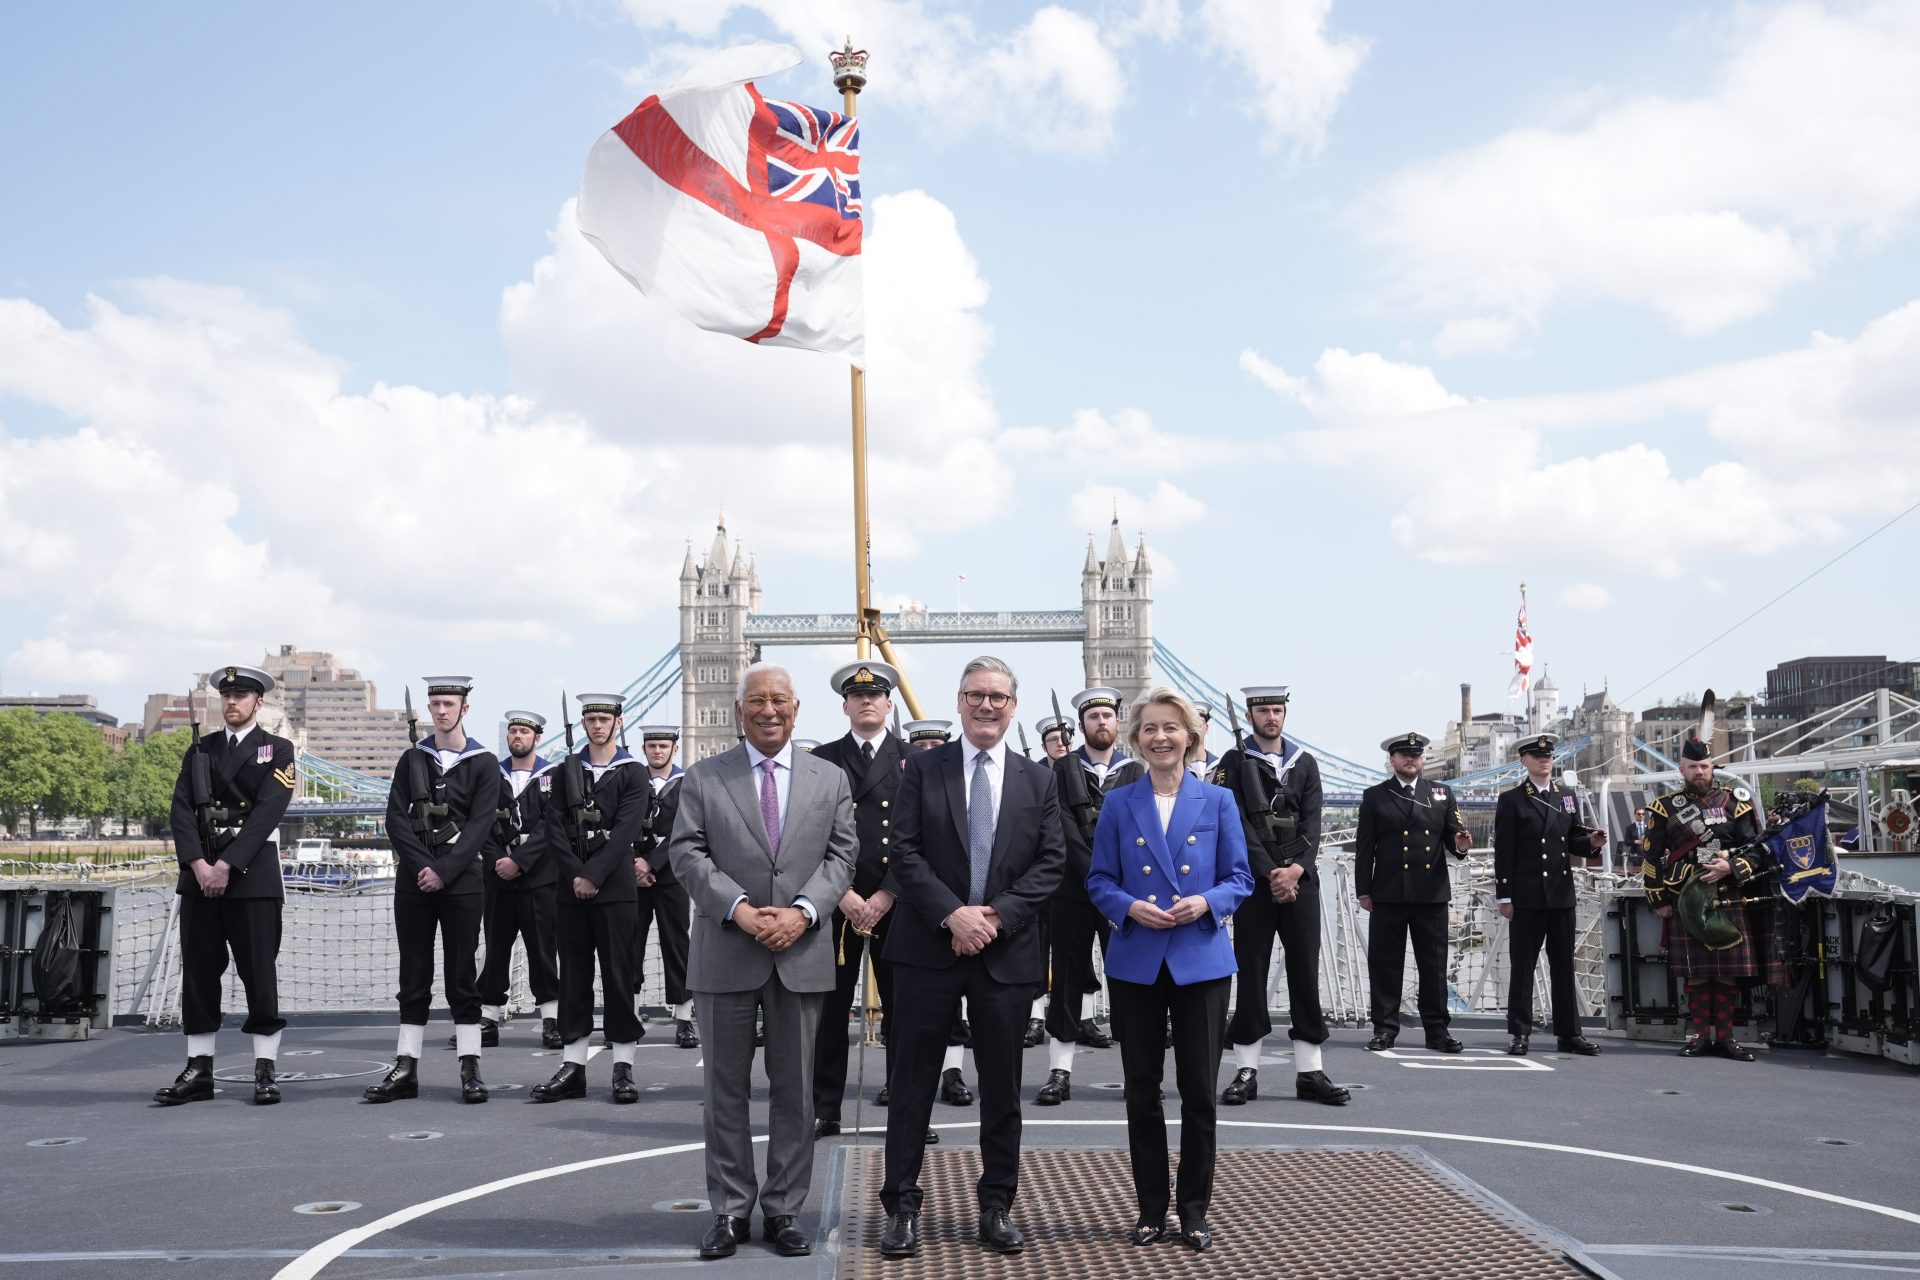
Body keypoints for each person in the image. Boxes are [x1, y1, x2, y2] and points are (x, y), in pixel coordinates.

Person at [877, 656, 1066, 1259]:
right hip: (926, 947)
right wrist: (952, 914)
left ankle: (997, 1204)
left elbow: (1051, 863)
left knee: (1003, 1090)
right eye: (976, 695)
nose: (987, 706)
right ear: (959, 701)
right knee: (911, 1086)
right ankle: (901, 1206)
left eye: (998, 697)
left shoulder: (1038, 779)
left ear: (1013, 706)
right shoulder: (922, 768)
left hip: (1004, 952)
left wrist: (994, 918)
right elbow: (905, 852)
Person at [668, 662, 857, 1259]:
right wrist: (740, 909)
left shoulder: (830, 779)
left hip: (801, 950)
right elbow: (686, 853)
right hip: (726, 948)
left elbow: (842, 857)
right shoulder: (703, 778)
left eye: (779, 700)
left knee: (796, 1093)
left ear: (796, 709)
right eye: (757, 701)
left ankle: (784, 1210)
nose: (768, 710)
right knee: (723, 1089)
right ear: (738, 710)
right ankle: (729, 1210)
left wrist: (803, 912)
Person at [1087, 688, 1253, 1251]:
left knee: (1200, 1091)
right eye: (1151, 728)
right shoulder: (1118, 803)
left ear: (1190, 737)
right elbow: (1098, 880)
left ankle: (1195, 1210)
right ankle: (1151, 1209)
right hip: (1137, 957)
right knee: (1141, 1091)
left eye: (1172, 727)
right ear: (1136, 739)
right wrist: (1129, 907)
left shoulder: (1218, 801)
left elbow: (1240, 878)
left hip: (1200, 958)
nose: (1161, 738)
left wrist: (1206, 901)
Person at [809, 661, 939, 1147]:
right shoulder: (820, 760)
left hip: (897, 901)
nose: (866, 701)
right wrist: (841, 893)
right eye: (857, 696)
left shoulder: (916, 761)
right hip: (836, 901)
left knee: (906, 1014)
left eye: (875, 695)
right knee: (828, 1013)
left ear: (889, 704)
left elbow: (925, 835)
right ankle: (824, 1110)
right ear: (845, 706)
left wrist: (887, 892)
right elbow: (808, 834)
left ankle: (909, 1111)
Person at [155, 664, 296, 1106]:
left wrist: (227, 865)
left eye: (241, 696)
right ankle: (199, 1069)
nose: (232, 702)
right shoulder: (201, 749)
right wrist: (198, 864)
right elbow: (181, 810)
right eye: (226, 696)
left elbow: (267, 813)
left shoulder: (278, 750)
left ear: (259, 702)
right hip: (200, 875)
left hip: (251, 877)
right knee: (199, 974)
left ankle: (265, 1068)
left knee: (258, 973)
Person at [1212, 686, 1346, 1105]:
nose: (1271, 716)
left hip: (1299, 881)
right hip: (1255, 883)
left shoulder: (1304, 762)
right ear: (1250, 716)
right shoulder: (1233, 761)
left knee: (1305, 973)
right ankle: (1246, 1071)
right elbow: (1234, 823)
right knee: (1251, 974)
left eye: (1277, 710)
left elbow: (1313, 822)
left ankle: (1310, 1071)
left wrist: (1296, 869)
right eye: (1264, 710)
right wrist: (1270, 871)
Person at [368, 677, 499, 1104]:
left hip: (461, 882)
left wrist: (444, 870)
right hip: (415, 880)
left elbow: (479, 826)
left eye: (448, 704)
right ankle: (406, 1067)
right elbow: (395, 819)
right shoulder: (412, 759)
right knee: (413, 973)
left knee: (462, 975)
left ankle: (470, 1065)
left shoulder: (484, 763)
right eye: (435, 704)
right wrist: (424, 867)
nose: (441, 711)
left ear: (465, 709)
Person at [533, 692, 652, 1103]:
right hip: (572, 890)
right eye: (591, 720)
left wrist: (594, 875)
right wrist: (576, 875)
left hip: (614, 890)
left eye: (604, 719)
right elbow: (553, 826)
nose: (598, 726)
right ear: (583, 724)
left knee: (620, 977)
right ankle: (573, 1067)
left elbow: (625, 831)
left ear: (619, 722)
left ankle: (623, 1067)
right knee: (573, 979)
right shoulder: (565, 770)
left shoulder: (633, 772)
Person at [1035, 686, 1142, 1106]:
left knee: (1130, 982)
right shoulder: (1059, 771)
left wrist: (1112, 879)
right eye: (1093, 717)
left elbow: (1140, 829)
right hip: (1072, 892)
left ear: (1117, 722)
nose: (1101, 722)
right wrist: (1096, 874)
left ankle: (1137, 1073)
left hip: (1123, 893)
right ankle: (1059, 1072)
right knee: (1065, 982)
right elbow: (1060, 829)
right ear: (1081, 726)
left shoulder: (1135, 772)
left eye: (1107, 716)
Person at [1643, 735, 1768, 1061]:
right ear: (1682, 770)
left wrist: (1731, 867)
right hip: (1686, 896)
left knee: (1727, 971)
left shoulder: (1736, 803)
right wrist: (1659, 901)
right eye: (1692, 767)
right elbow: (1651, 858)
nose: (1699, 772)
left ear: (1712, 767)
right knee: (1697, 972)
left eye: (1704, 766)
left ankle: (1726, 1038)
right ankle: (1699, 1037)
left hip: (1728, 893)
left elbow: (1756, 850)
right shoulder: (1664, 808)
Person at [1354, 731, 1470, 1053]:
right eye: (1404, 755)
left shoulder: (1442, 793)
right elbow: (1365, 848)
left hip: (1431, 893)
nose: (1410, 759)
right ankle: (1385, 1029)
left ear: (1422, 759)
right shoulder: (1375, 796)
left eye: (1415, 755)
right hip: (1388, 892)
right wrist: (1363, 890)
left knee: (1434, 966)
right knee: (1386, 966)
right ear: (1392, 759)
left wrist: (1460, 846)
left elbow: (1453, 838)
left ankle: (1437, 1031)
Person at [1494, 734, 1605, 1056]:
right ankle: (1519, 1033)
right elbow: (1504, 851)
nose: (1544, 760)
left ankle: (1569, 1034)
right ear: (1523, 761)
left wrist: (1592, 844)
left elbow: (1574, 838)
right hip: (1526, 897)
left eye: (1548, 756)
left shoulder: (1566, 796)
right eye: (1537, 756)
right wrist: (1505, 896)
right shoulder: (1512, 799)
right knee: (1523, 968)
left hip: (1560, 894)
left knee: (1563, 967)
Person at [471, 710, 561, 1051]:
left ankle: (551, 1020)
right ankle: (488, 1019)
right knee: (495, 949)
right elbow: (478, 821)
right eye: (513, 731)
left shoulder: (552, 775)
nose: (517, 736)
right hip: (498, 877)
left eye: (524, 731)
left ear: (537, 738)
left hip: (539, 878)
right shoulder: (491, 774)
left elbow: (552, 825)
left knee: (543, 951)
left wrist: (520, 862)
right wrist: (499, 861)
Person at [633, 724, 697, 1048]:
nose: (657, 751)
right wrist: (635, 864)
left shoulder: (688, 783)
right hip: (632, 875)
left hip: (672, 875)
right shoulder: (631, 780)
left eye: (663, 746)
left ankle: (684, 1019)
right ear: (644, 748)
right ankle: (628, 1015)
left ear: (675, 748)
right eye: (652, 746)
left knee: (677, 946)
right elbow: (621, 824)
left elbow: (685, 829)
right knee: (629, 946)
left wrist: (651, 863)